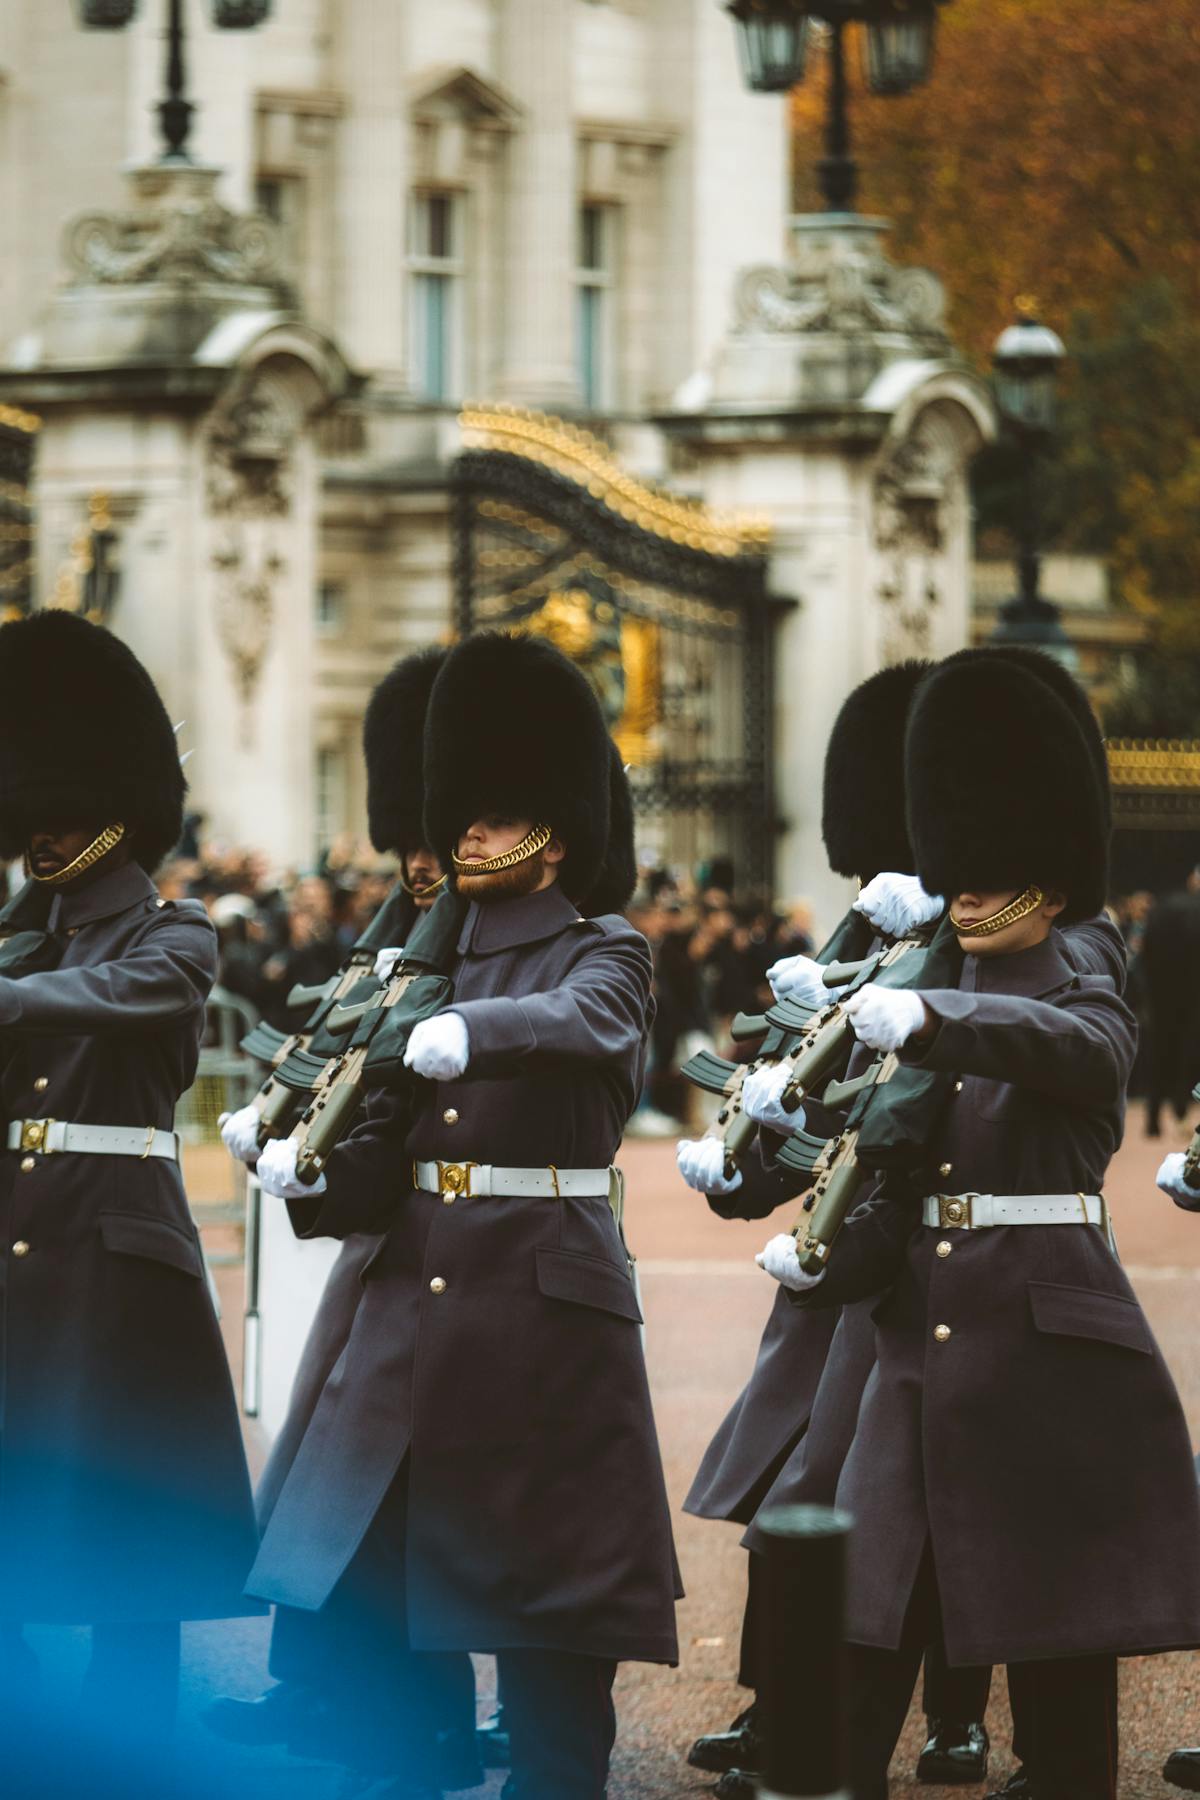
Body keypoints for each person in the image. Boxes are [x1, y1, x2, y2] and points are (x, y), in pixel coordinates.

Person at [244, 631, 678, 1800]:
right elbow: (383, 1142)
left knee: (550, 1598)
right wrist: (310, 1167)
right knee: (382, 1579)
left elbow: (591, 1023)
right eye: (462, 818)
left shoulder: (605, 948)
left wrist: (474, 1034)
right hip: (415, 1300)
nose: (467, 837)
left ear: (552, 828)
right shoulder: (418, 964)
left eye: (493, 818)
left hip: (543, 1302)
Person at [759, 652, 1200, 1800]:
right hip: (916, 1335)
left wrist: (936, 1016)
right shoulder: (926, 964)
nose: (964, 891)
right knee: (864, 1612)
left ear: (1046, 880)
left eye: (986, 873)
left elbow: (1087, 1052)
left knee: (1060, 1640)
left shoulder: (1079, 969)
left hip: (1044, 1331)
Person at [676, 663, 992, 1797]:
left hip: (925, 1261)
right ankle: (780, 1708)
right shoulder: (859, 933)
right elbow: (786, 1079)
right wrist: (744, 1153)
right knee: (792, 1491)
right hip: (827, 1260)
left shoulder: (968, 936)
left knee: (937, 1504)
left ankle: (960, 1715)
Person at [208, 647, 484, 1796]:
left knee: (429, 1505)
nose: (419, 861)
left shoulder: (506, 940)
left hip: (462, 1256)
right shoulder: (400, 930)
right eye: (409, 841)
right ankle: (322, 1688)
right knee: (334, 1484)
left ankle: (430, 1721)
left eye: (436, 841)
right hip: (383, 1246)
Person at [0, 609, 258, 1761]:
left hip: (117, 1248)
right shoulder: (23, 940)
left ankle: (135, 1740)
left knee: (126, 1511)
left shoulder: (175, 933)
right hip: (19, 1241)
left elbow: (122, 1002)